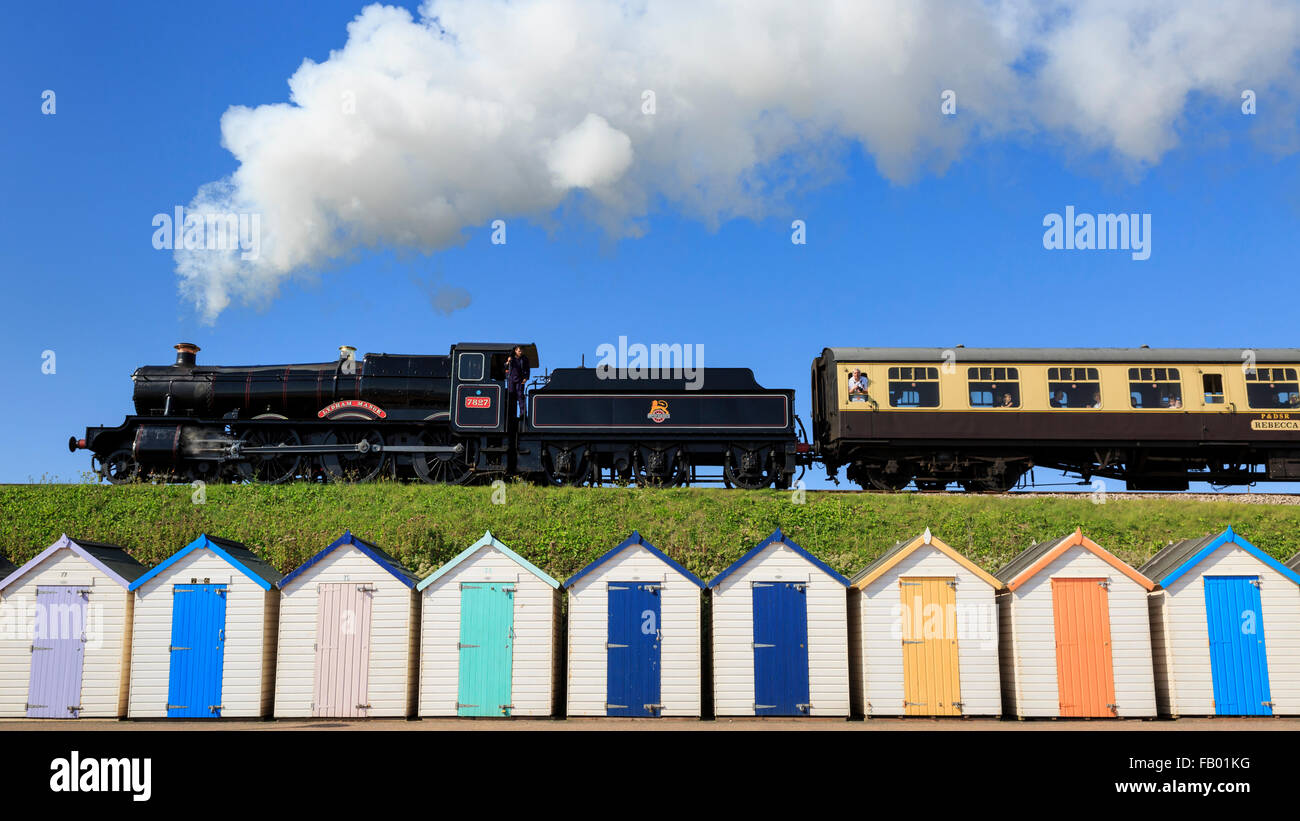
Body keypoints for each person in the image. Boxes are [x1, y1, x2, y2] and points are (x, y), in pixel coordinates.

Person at [505, 345, 530, 418]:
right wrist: (507, 362)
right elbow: (505, 367)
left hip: (520, 379)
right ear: (515, 351)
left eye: (521, 351)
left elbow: (527, 369)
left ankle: (523, 413)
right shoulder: (511, 358)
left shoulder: (525, 359)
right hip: (511, 379)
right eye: (519, 351)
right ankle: (511, 414)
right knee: (511, 395)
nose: (521, 352)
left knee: (520, 395)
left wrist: (526, 378)